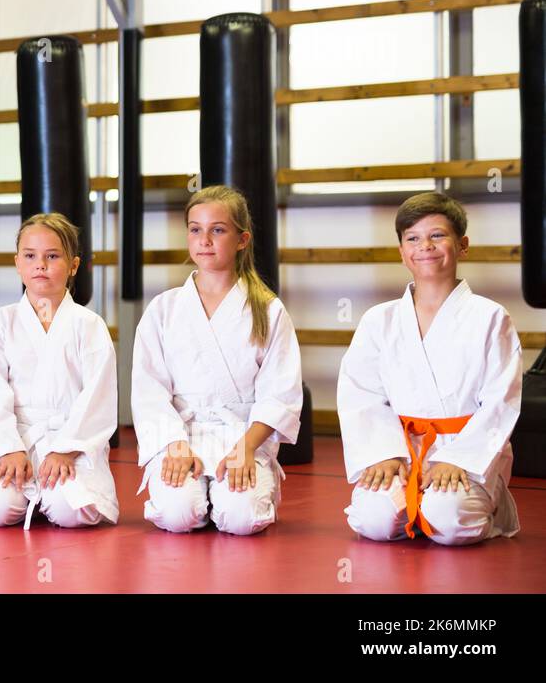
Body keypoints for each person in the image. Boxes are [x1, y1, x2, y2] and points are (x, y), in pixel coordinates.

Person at [339, 192, 521, 545]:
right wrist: (383, 453)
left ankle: (479, 506)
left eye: (438, 235)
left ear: (462, 244)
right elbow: (361, 394)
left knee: (448, 521)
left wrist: (459, 460)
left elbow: (501, 401)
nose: (426, 246)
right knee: (371, 520)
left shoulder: (490, 317)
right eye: (413, 238)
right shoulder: (379, 320)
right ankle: (414, 500)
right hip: (400, 451)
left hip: (465, 450)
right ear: (402, 251)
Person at [131, 185, 302, 535]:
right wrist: (173, 444)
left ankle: (230, 493)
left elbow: (279, 394)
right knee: (178, 516)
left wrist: (247, 449)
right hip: (181, 435)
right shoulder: (164, 309)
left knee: (241, 520)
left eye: (217, 230)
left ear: (242, 240)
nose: (204, 239)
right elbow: (149, 389)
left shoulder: (267, 310)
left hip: (242, 435)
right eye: (195, 229)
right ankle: (200, 493)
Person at [0, 213, 118, 530]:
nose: (40, 265)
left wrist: (65, 450)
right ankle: (25, 486)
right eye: (30, 256)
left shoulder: (89, 325)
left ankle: (52, 493)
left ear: (73, 265)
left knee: (71, 510)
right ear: (17, 263)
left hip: (70, 442)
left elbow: (98, 397)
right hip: (15, 437)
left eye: (52, 257)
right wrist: (8, 448)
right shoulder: (2, 322)